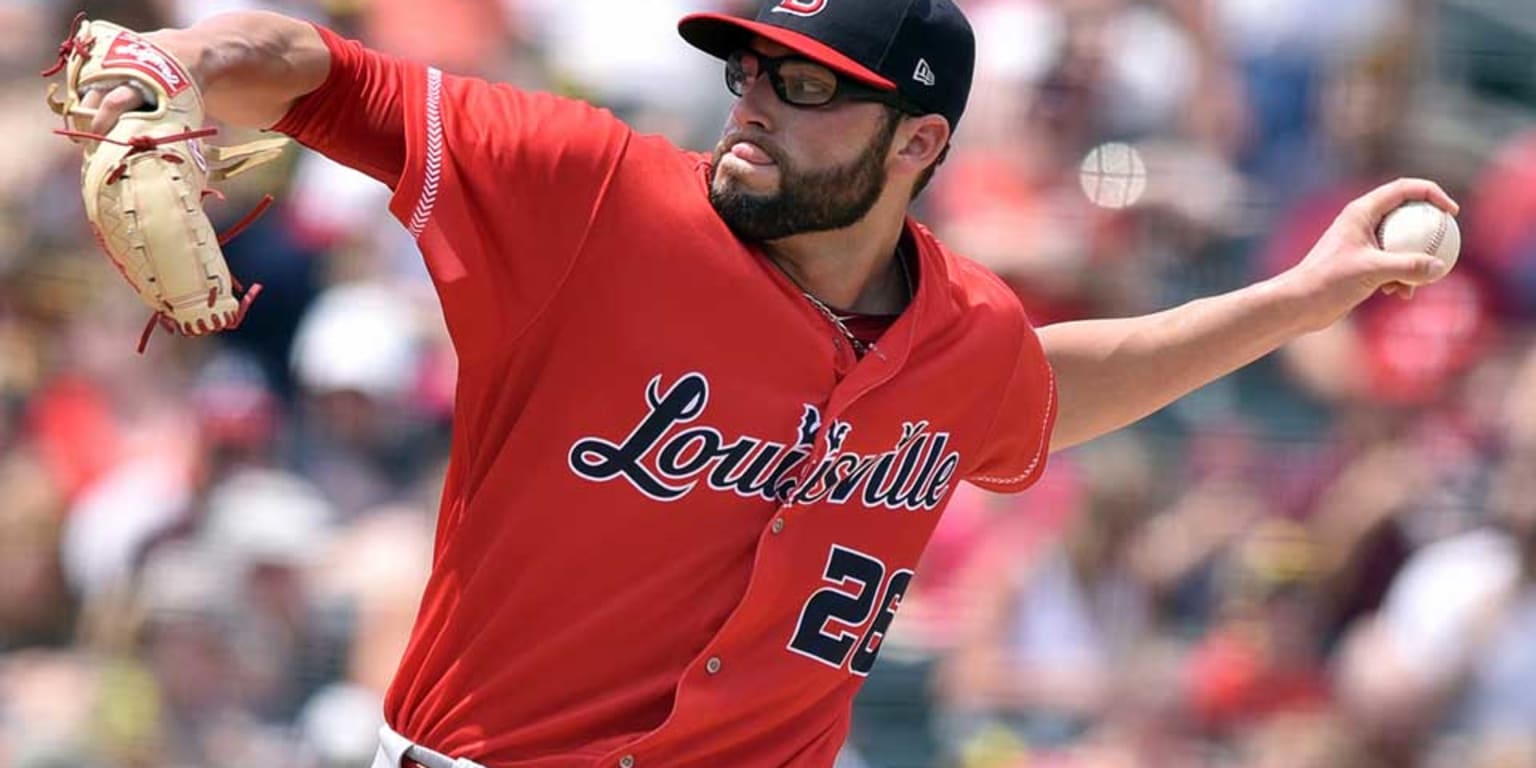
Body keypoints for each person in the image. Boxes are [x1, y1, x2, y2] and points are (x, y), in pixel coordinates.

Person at [73, 0, 1459, 765]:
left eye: (808, 84)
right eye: (751, 66)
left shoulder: (965, 328)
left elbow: (1043, 393)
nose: (753, 97)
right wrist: (167, 68)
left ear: (918, 142)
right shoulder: (595, 195)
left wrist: (1298, 299)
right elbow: (321, 72)